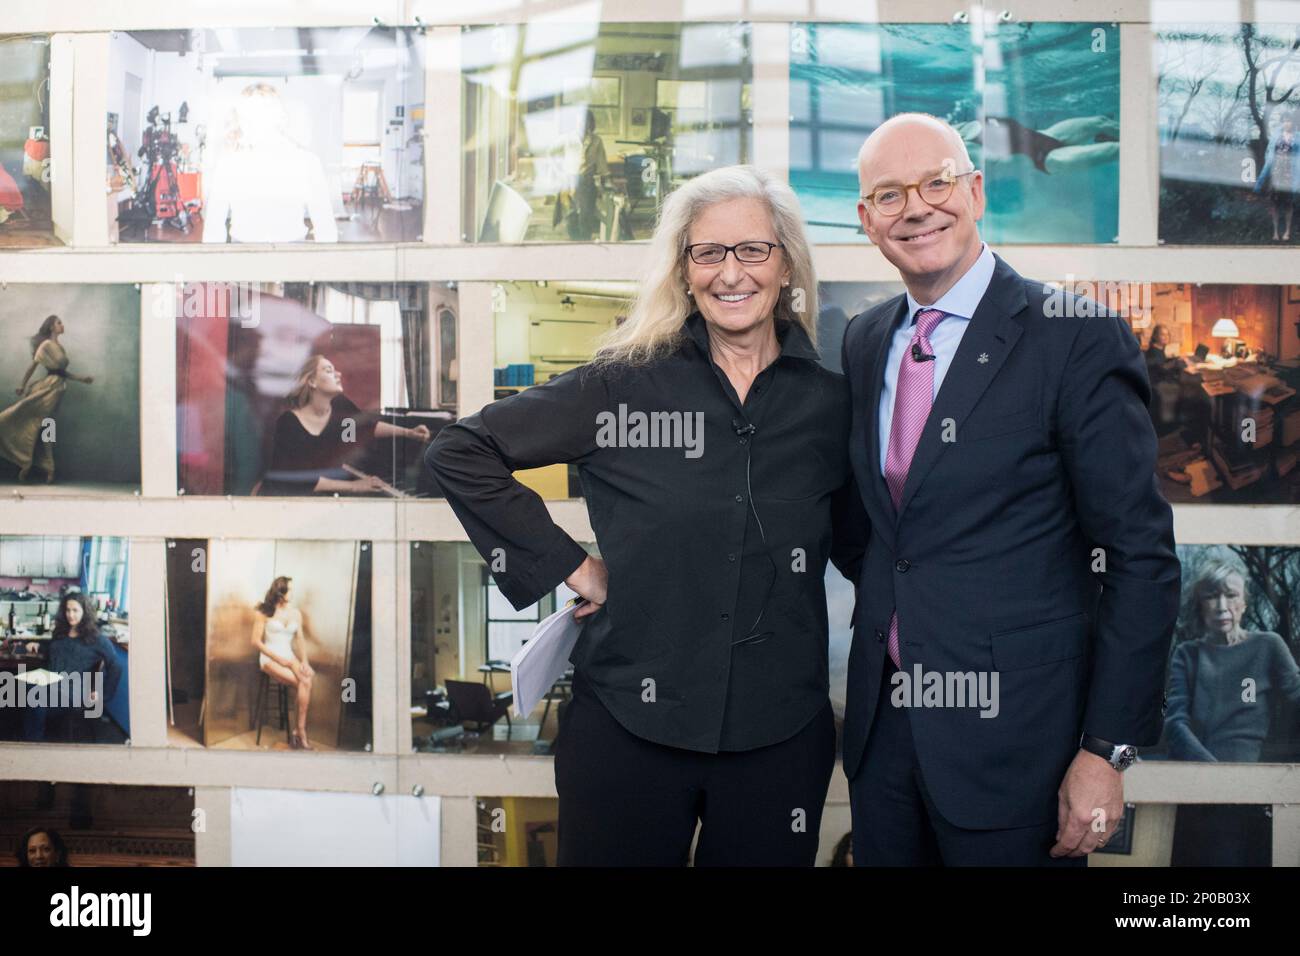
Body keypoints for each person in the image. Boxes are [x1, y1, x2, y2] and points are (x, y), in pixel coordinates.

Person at [428, 164, 865, 866]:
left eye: (753, 249)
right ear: (684, 269)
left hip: (779, 740)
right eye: (708, 252)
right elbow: (460, 451)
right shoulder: (620, 385)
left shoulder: (831, 403)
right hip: (628, 730)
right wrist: (574, 568)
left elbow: (868, 548)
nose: (732, 272)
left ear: (786, 264)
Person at [839, 113, 1180, 865]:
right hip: (884, 737)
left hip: (1021, 746)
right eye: (889, 195)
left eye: (937, 182)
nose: (918, 207)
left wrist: (1106, 753)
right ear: (867, 221)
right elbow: (880, 530)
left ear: (977, 190)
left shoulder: (1076, 338)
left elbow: (1140, 557)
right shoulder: (866, 341)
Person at [1164, 561, 1300, 763]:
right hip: (1194, 769)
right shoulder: (1187, 654)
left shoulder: (1269, 645)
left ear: (1244, 602)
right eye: (1211, 597)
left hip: (1251, 770)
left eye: (1231, 595)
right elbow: (1175, 724)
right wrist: (1213, 771)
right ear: (1200, 605)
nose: (1222, 607)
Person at [260, 354, 430, 495]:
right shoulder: (288, 424)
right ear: (312, 382)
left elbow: (366, 428)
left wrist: (409, 432)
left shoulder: (340, 406)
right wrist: (356, 485)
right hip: (282, 502)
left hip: (316, 498)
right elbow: (299, 480)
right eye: (328, 370)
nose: (338, 374)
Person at [202, 83, 339, 244]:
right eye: (245, 117)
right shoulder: (227, 166)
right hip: (241, 260)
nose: (249, 123)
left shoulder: (308, 163)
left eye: (259, 113)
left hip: (293, 260)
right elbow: (213, 231)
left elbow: (326, 230)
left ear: (278, 116)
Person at [0, 315, 95, 483]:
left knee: (46, 426)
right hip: (48, 389)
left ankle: (39, 465)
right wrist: (22, 385)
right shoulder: (45, 345)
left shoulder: (60, 347)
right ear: (51, 326)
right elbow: (33, 366)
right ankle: (30, 463)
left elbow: (61, 372)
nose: (62, 325)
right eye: (59, 323)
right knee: (37, 422)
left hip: (57, 389)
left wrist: (82, 379)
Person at [21, 592, 123, 742]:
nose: (70, 615)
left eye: (75, 610)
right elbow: (55, 649)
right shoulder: (61, 632)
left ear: (85, 612)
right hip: (53, 682)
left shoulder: (96, 639)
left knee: (35, 700)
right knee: (23, 687)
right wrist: (38, 646)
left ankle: (34, 743)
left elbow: (116, 666)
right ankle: (32, 733)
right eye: (68, 610)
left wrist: (102, 694)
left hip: (73, 689)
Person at [251, 575, 316, 750]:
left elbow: (300, 638)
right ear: (281, 592)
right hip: (270, 658)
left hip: (289, 656)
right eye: (290, 589)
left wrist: (305, 662)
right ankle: (300, 733)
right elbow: (255, 641)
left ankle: (298, 731)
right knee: (304, 683)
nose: (293, 593)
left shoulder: (296, 613)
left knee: (307, 679)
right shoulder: (264, 612)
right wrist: (277, 658)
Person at [1254, 114, 1298, 242]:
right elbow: (1269, 157)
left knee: (1288, 204)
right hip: (1276, 172)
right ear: (1282, 123)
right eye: (1284, 121)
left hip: (1290, 172)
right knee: (1275, 203)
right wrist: (1261, 180)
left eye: (1289, 121)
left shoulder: (1298, 137)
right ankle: (1275, 231)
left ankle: (1287, 231)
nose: (1287, 123)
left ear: (1292, 123)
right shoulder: (1275, 137)